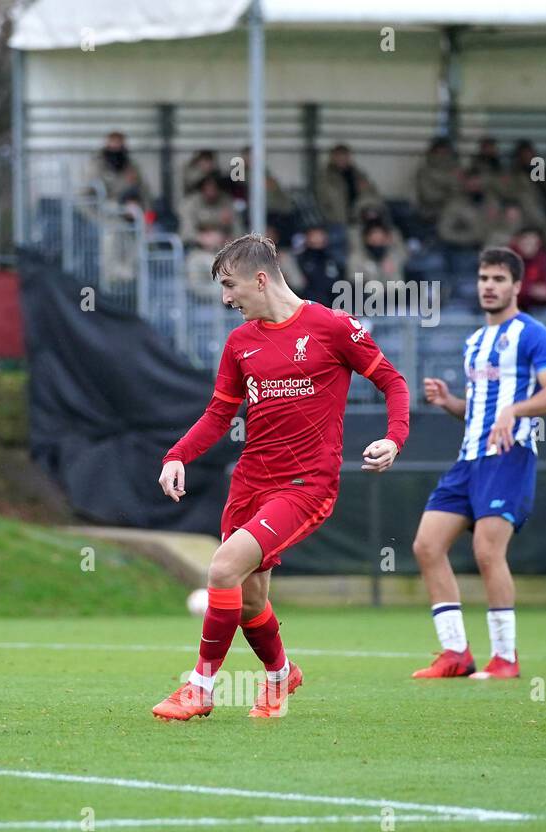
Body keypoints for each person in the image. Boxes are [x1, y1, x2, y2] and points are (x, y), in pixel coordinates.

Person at [154, 233, 409, 720]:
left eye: (230, 286)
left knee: (224, 568)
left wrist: (394, 438)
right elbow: (217, 414)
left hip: (305, 485)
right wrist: (177, 455)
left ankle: (199, 688)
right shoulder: (239, 343)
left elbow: (392, 382)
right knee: (249, 600)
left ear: (261, 279)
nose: (226, 298)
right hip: (250, 482)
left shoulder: (333, 327)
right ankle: (280, 676)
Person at [412, 248, 546, 679]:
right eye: (484, 278)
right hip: (468, 459)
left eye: (499, 279)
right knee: (426, 545)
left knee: (486, 550)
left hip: (508, 457)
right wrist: (450, 402)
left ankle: (505, 658)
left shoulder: (533, 334)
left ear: (517, 286)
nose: (489, 286)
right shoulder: (474, 343)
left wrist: (513, 412)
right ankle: (456, 654)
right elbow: (479, 408)